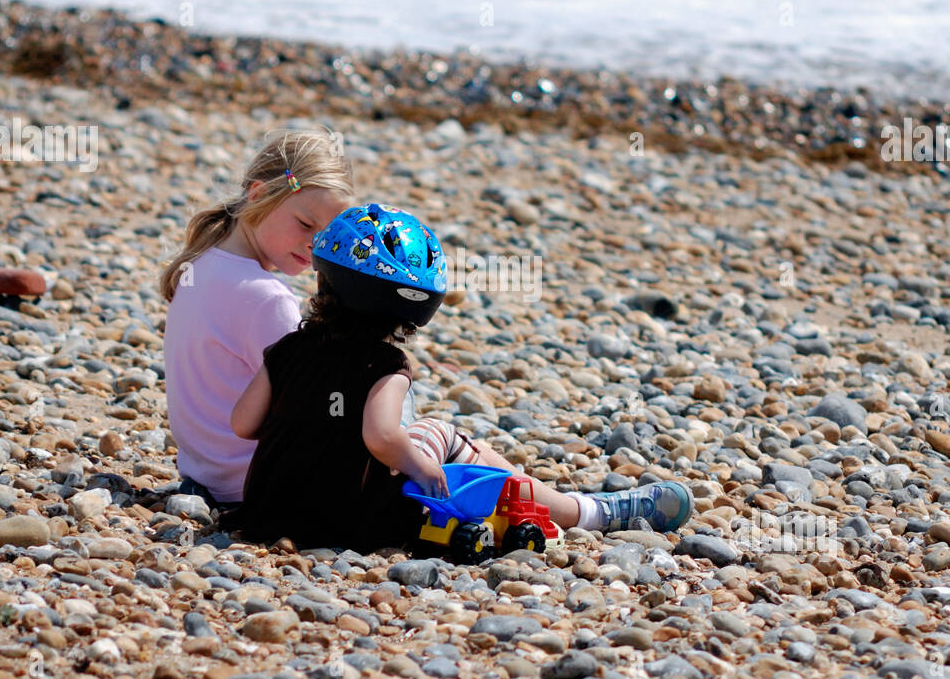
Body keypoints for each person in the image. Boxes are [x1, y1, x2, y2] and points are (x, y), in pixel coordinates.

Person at [227, 203, 693, 552]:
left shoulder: (286, 349)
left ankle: (571, 506)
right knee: (438, 433)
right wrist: (418, 464)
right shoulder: (386, 367)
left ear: (327, 281)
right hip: (349, 523)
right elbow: (381, 435)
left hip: (266, 515)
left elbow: (243, 424)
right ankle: (587, 512)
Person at [159, 128, 353, 512]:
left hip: (205, 472)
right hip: (259, 481)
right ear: (259, 195)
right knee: (431, 433)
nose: (317, 244)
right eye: (305, 224)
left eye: (329, 234)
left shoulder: (200, 264)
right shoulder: (267, 298)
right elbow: (308, 413)